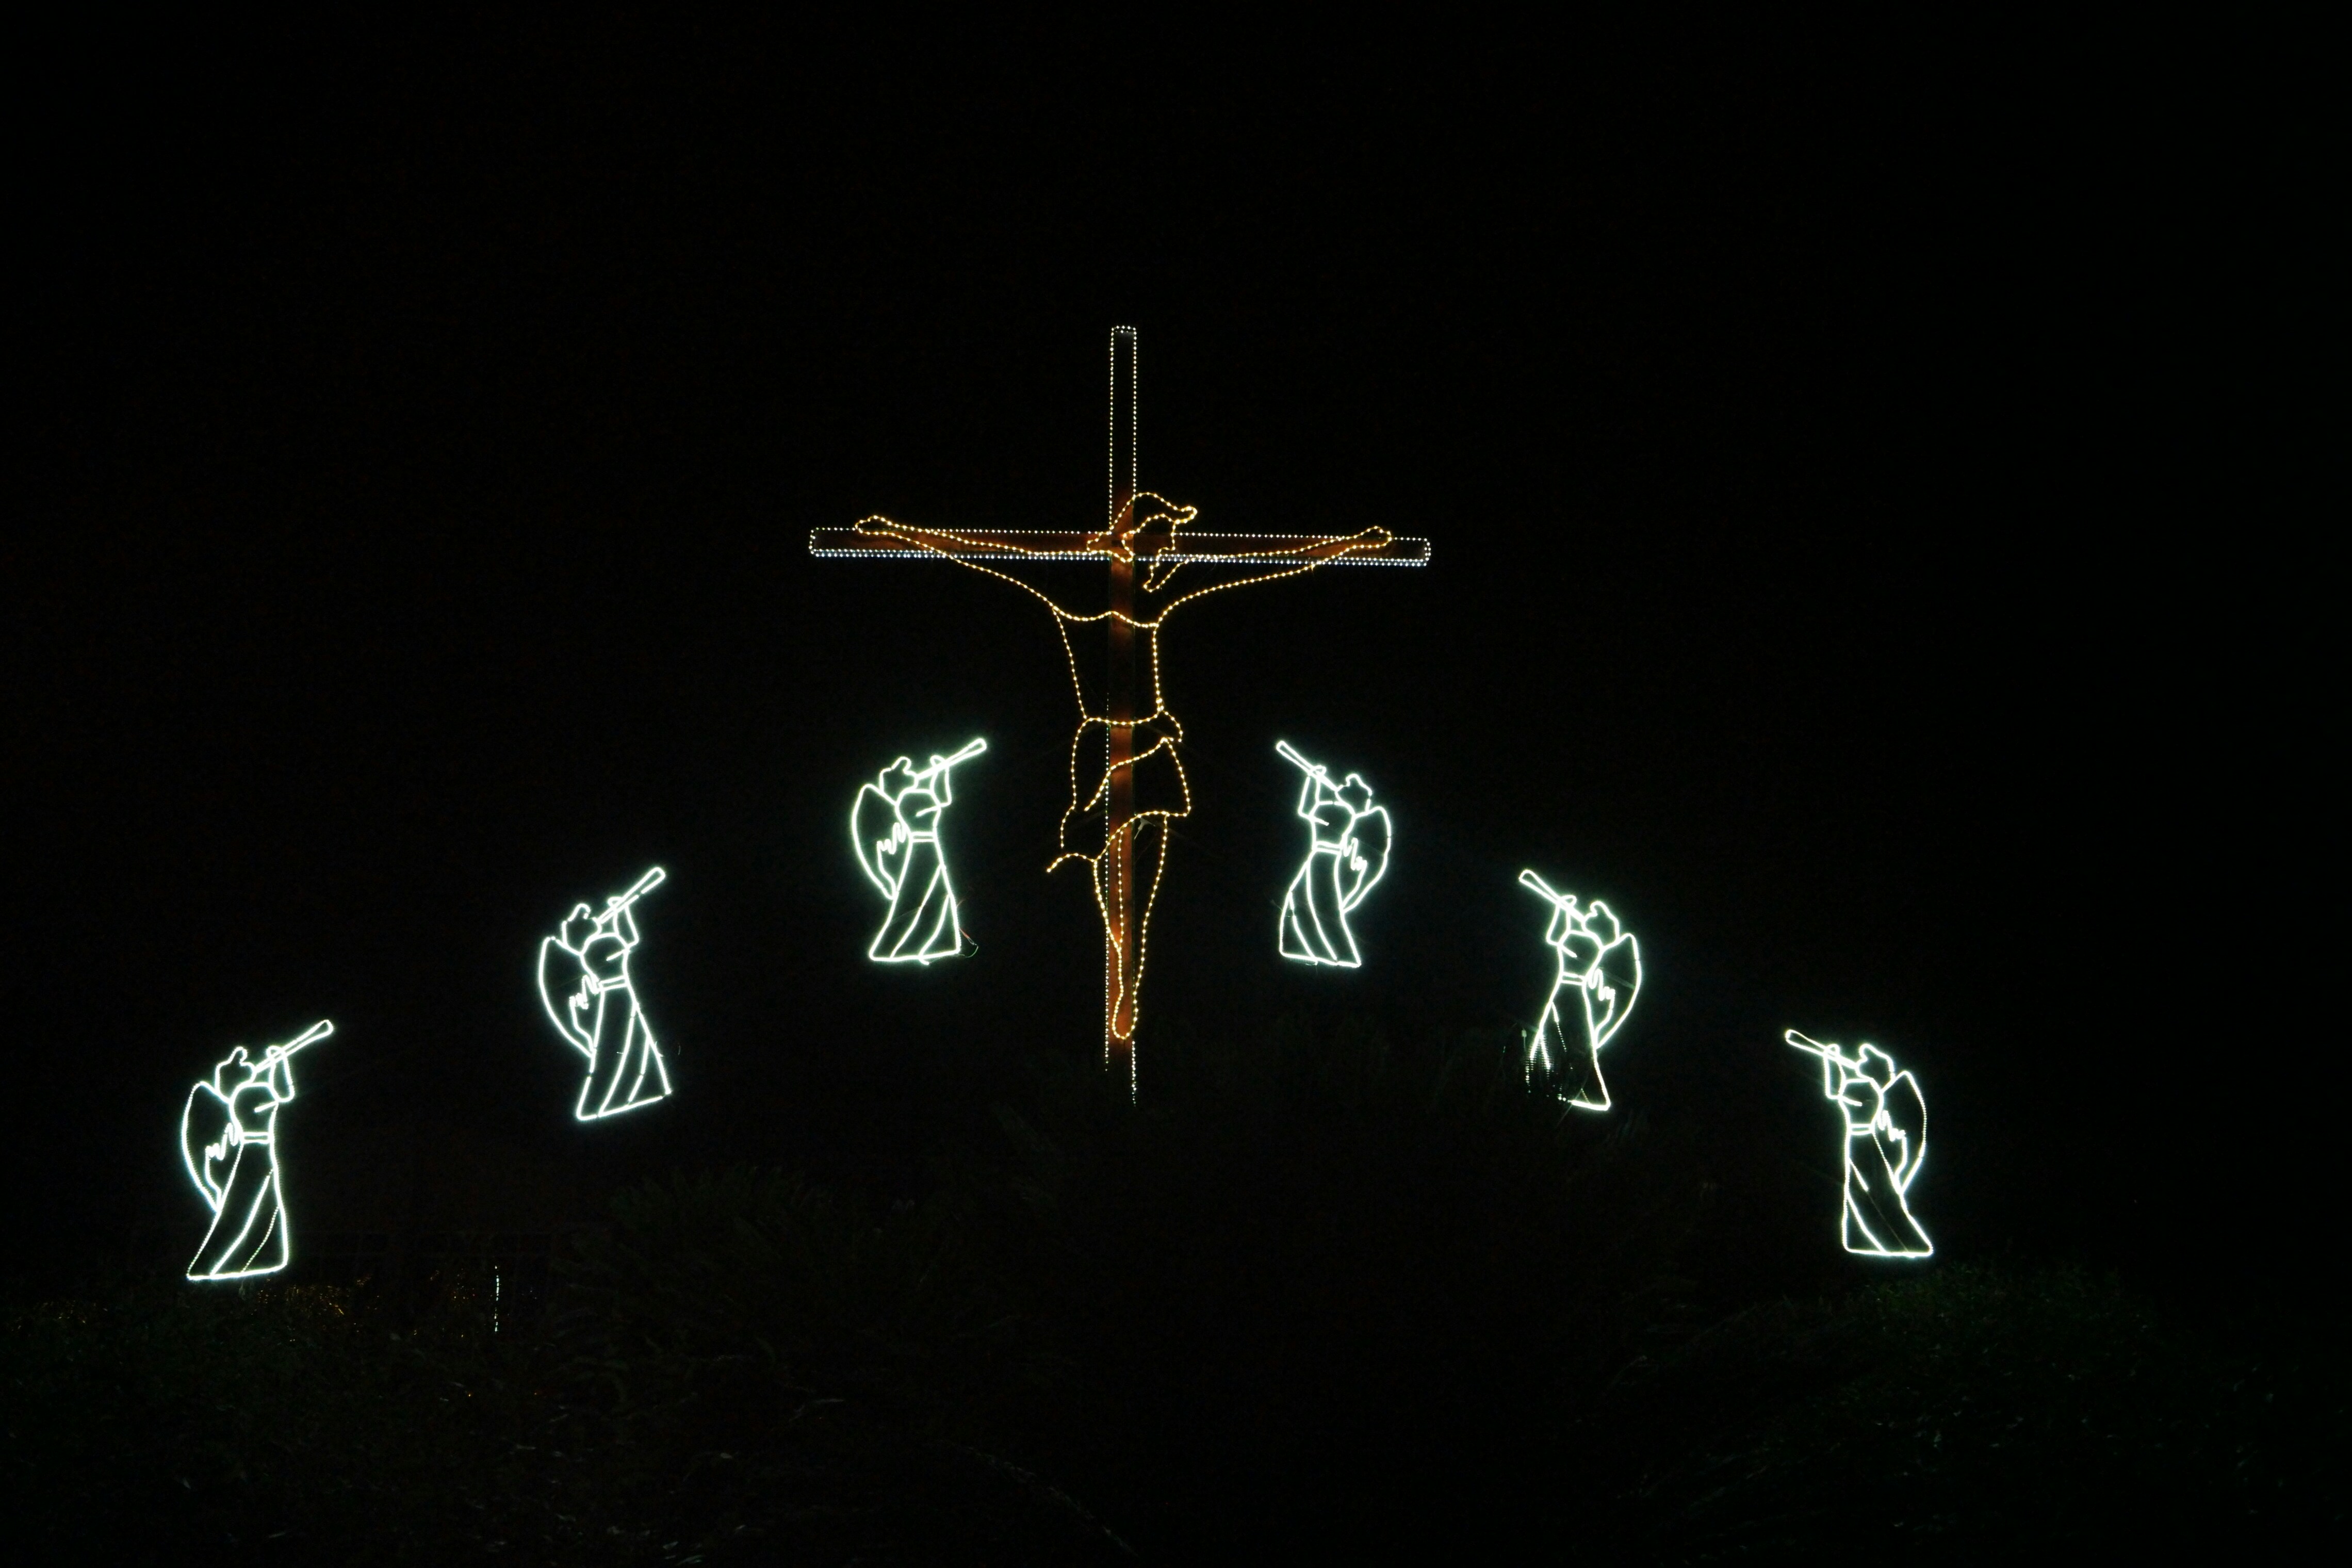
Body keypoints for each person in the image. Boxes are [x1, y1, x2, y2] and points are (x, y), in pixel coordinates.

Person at [182, 1019, 332, 1281]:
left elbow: (280, 1094)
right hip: (253, 1154)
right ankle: (202, 1268)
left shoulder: (249, 1092)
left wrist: (279, 1063)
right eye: (241, 1068)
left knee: (269, 1207)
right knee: (238, 1212)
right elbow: (284, 1095)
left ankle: (269, 1257)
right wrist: (280, 1063)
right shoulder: (247, 1094)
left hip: (262, 1152)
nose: (249, 1065)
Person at [538, 867, 673, 1121]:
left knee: (623, 1048)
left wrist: (623, 913)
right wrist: (622, 915)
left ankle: (630, 1093)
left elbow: (628, 944)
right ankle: (626, 1095)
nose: (585, 913)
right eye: (576, 918)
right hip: (617, 999)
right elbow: (629, 944)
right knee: (622, 1048)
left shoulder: (597, 947)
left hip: (617, 999)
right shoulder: (592, 949)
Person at [1786, 1030, 1933, 1257]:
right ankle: (1867, 1240)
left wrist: (1832, 1061)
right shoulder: (1861, 1086)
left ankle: (1906, 1242)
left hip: (1864, 1141)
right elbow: (1835, 1093)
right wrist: (1830, 1060)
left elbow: (1841, 1096)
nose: (1859, 1063)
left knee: (1879, 1190)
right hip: (1856, 1141)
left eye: (1865, 1062)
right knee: (1858, 1191)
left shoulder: (1868, 1088)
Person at [852, 738, 985, 963]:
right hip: (922, 849)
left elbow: (941, 801)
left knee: (934, 895)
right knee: (917, 896)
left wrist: (942, 774)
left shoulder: (914, 797)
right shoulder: (907, 800)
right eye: (906, 774)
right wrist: (939, 774)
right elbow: (938, 804)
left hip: (928, 848)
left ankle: (939, 942)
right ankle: (898, 946)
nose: (913, 773)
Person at [1519, 871, 1643, 1112]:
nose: (1587, 916)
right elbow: (1557, 939)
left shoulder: (1590, 943)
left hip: (1571, 991)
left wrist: (1563, 911)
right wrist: (1562, 910)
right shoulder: (1587, 941)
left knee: (1572, 1038)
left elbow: (1557, 940)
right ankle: (1543, 1080)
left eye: (1593, 917)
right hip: (1570, 991)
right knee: (1559, 1034)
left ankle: (1568, 1086)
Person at [1275, 741, 1392, 968]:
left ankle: (1344, 956)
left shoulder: (1341, 811)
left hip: (1323, 860)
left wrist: (1312, 780)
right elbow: (1310, 809)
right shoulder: (1340, 810)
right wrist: (1313, 780)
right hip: (1322, 859)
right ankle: (1296, 948)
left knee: (1324, 908)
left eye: (1347, 786)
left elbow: (1306, 809)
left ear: (1353, 798)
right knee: (1299, 900)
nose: (1342, 785)